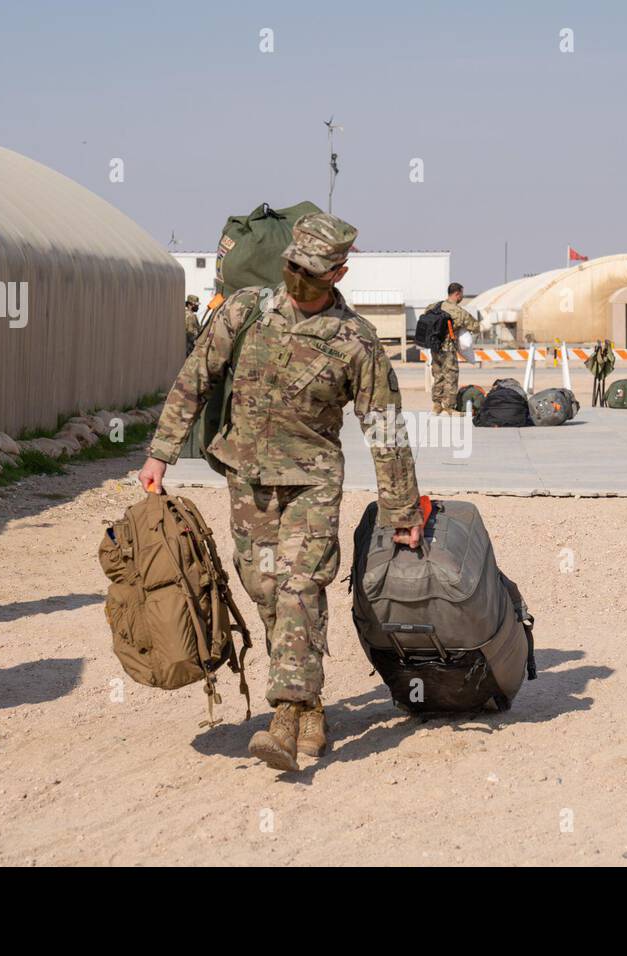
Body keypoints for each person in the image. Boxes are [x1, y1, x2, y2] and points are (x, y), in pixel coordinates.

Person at [139, 213, 423, 772]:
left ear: (340, 272)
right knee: (264, 588)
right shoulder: (245, 311)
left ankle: (288, 716)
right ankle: (312, 703)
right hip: (247, 479)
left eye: (311, 275)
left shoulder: (355, 341)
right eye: (292, 268)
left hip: (312, 484)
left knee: (299, 586)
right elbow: (196, 377)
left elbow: (385, 429)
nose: (297, 281)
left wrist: (402, 509)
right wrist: (160, 451)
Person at [428, 283, 479, 414]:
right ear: (457, 294)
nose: (462, 296)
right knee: (451, 377)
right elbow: (475, 326)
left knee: (438, 376)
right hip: (447, 349)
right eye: (461, 294)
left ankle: (437, 404)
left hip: (434, 348)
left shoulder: (433, 307)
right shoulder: (458, 312)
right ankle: (449, 407)